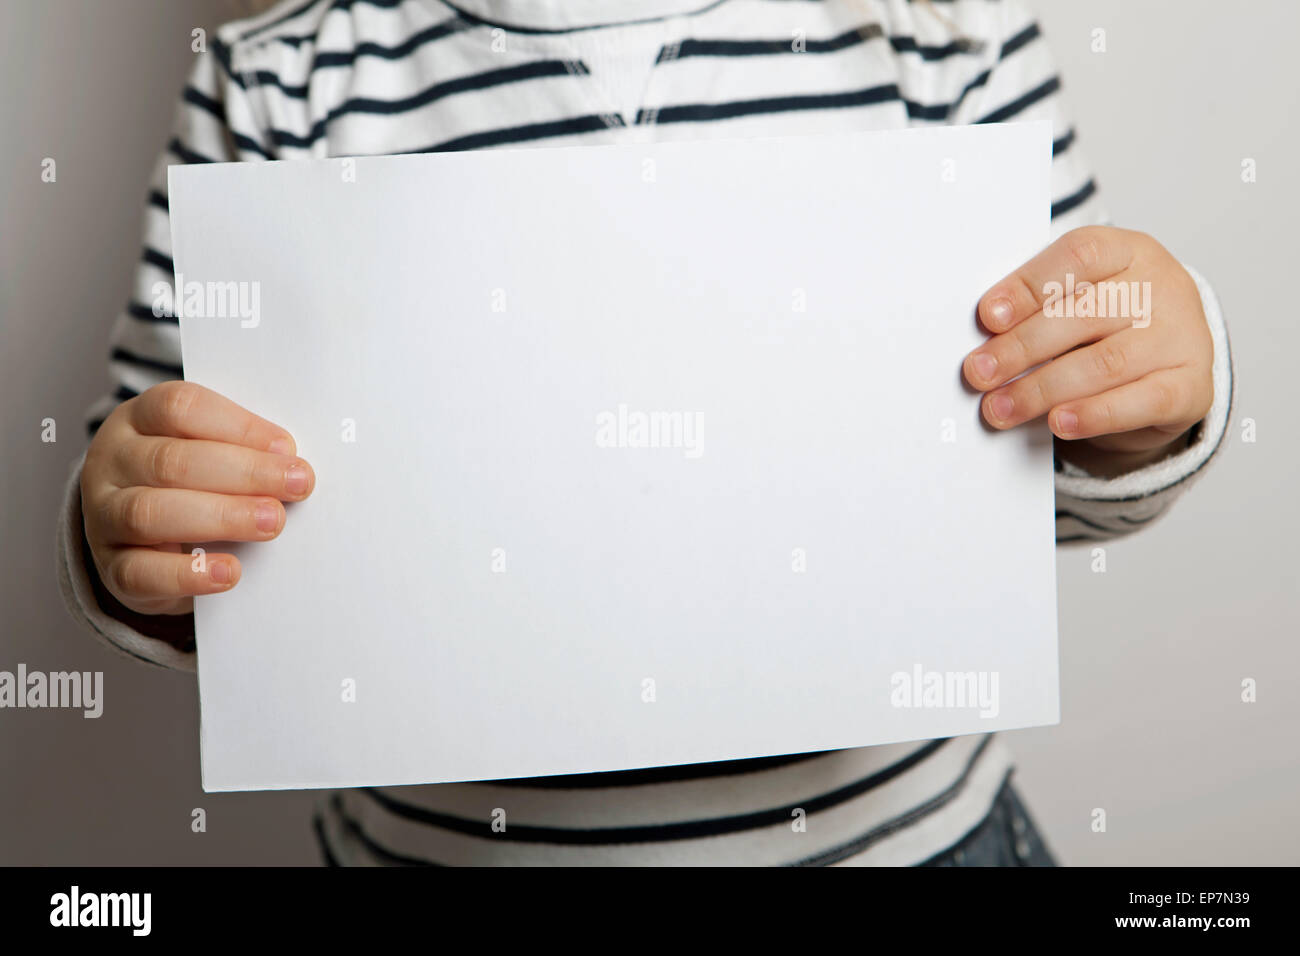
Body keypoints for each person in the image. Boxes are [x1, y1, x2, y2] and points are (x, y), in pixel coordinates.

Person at [57, 0, 1232, 865]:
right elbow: (165, 475)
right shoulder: (282, 80)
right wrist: (133, 532)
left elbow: (1057, 454)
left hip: (915, 845)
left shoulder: (942, 36)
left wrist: (1149, 402)